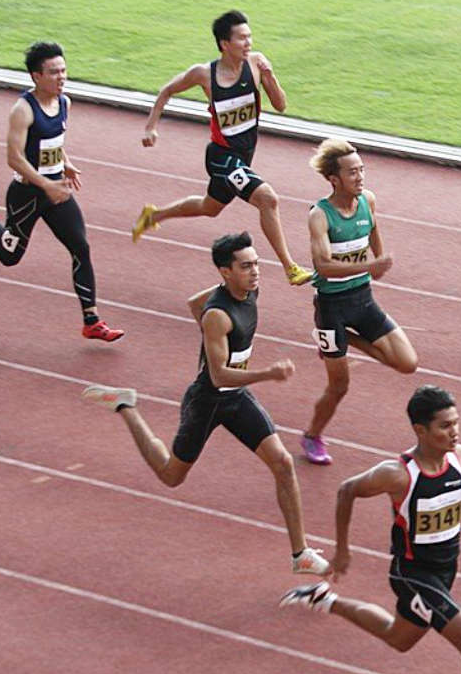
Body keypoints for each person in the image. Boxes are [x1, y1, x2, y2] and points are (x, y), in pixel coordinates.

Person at [80, 231, 330, 576]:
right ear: (226, 271)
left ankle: (300, 554)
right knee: (171, 476)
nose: (255, 271)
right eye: (246, 266)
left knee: (283, 463)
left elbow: (193, 303)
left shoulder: (248, 292)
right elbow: (219, 375)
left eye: (256, 264)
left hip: (236, 398)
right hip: (208, 400)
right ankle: (126, 406)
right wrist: (267, 373)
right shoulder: (217, 317)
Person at [280, 385, 461, 674]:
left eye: (456, 423)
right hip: (412, 573)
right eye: (445, 426)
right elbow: (347, 490)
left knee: (398, 638)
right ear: (420, 430)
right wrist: (342, 551)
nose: (454, 432)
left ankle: (324, 599)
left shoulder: (460, 457)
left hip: (446, 570)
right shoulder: (398, 474)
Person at [132, 9, 311, 286]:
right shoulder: (205, 74)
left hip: (244, 156)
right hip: (221, 157)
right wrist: (150, 127)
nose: (248, 43)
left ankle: (154, 215)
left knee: (210, 207)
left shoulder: (256, 64)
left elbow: (281, 105)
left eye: (250, 37)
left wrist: (270, 77)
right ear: (225, 44)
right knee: (268, 199)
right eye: (242, 38)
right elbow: (167, 90)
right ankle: (290, 267)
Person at [0, 41, 123, 342]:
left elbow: (54, 142)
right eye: (54, 72)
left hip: (56, 192)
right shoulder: (23, 110)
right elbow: (14, 158)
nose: (61, 77)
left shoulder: (64, 103)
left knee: (80, 248)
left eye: (63, 70)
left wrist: (66, 164)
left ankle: (91, 320)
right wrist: (46, 184)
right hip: (27, 194)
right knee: (9, 256)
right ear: (36, 76)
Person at [298, 139, 418, 465]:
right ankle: (311, 436)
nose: (360, 176)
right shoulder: (320, 216)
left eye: (361, 169)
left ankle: (346, 340)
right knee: (339, 386)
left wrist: (379, 258)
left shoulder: (368, 201)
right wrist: (369, 266)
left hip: (363, 300)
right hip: (331, 308)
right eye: (352, 172)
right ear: (333, 179)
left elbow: (374, 233)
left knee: (407, 362)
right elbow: (323, 266)